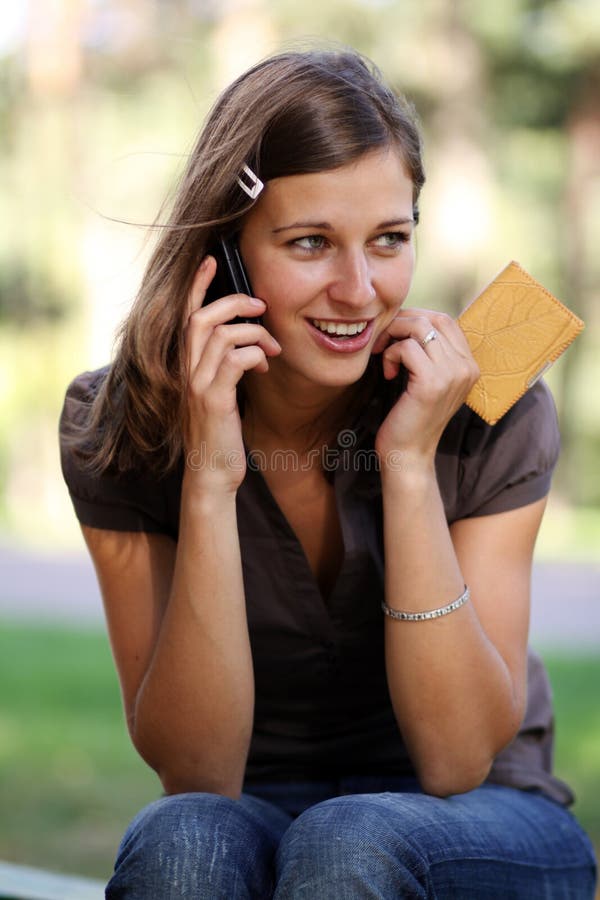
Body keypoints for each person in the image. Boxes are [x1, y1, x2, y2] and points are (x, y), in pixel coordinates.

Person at [59, 48, 597, 899]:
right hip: (259, 809)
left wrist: (411, 466)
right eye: (310, 242)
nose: (358, 289)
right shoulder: (117, 422)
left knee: (349, 842)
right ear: (224, 256)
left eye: (389, 239)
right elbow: (197, 770)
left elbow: (459, 758)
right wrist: (209, 475)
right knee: (179, 841)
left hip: (486, 817)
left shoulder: (491, 396)